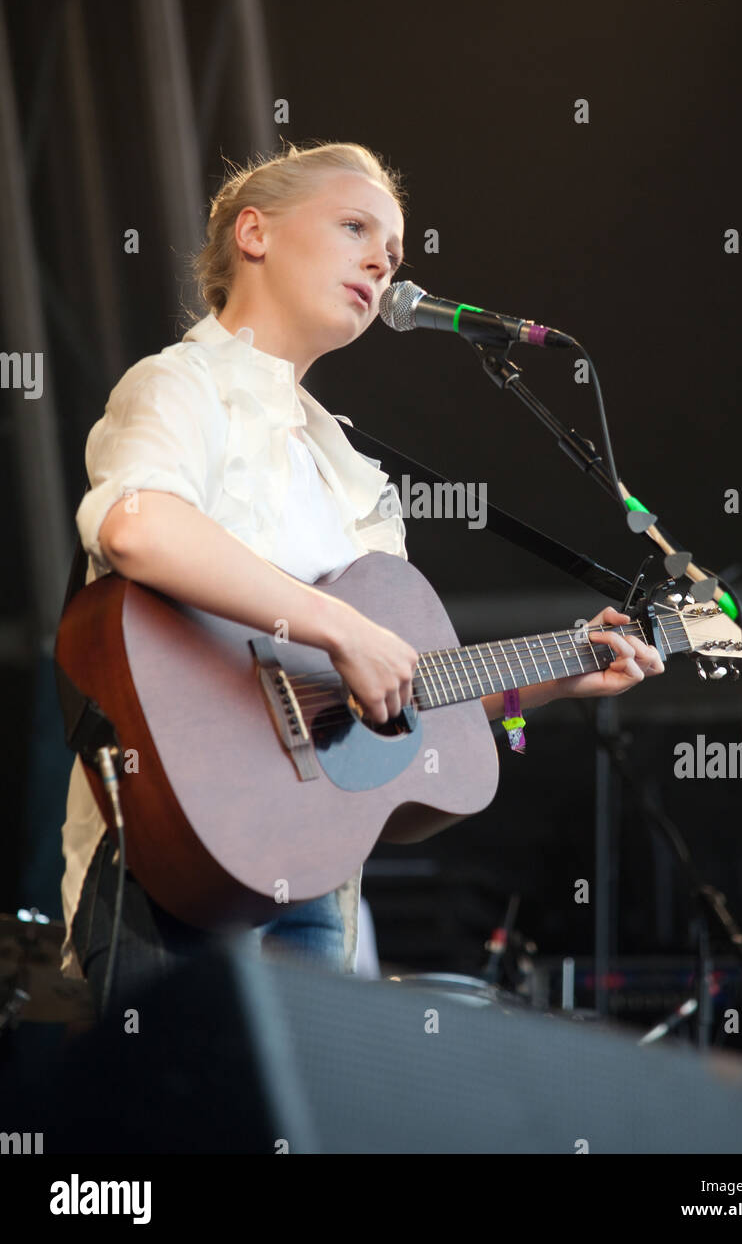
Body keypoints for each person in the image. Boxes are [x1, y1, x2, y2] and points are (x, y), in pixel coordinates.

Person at [60, 141, 663, 1014]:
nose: (384, 260)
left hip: (314, 879)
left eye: (396, 249)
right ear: (254, 233)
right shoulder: (178, 386)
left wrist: (555, 678)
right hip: (175, 855)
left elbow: (396, 696)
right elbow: (138, 527)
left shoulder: (349, 468)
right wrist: (339, 628)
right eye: (356, 227)